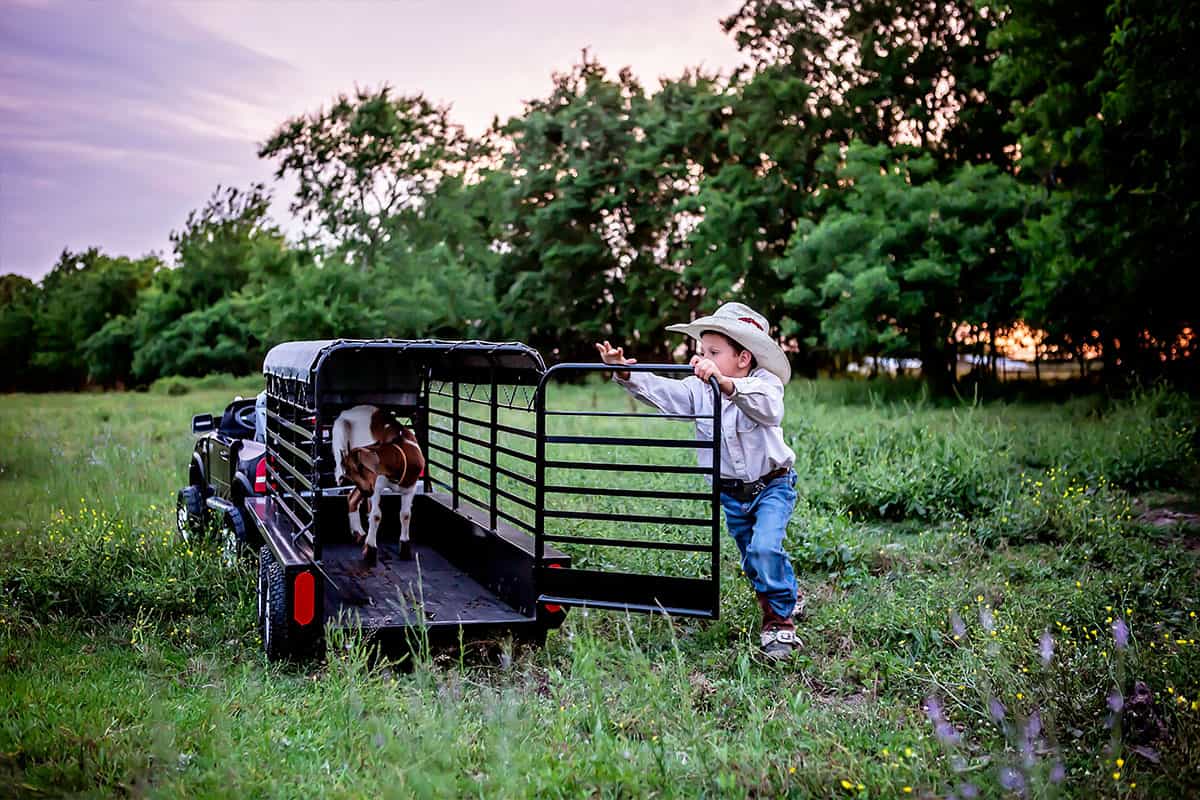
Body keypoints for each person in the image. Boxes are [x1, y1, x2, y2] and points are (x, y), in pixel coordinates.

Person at [595, 302, 801, 660]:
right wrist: (626, 374)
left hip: (772, 485)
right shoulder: (698, 390)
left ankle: (779, 623)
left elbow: (770, 408)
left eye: (713, 352)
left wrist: (726, 384)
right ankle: (785, 592)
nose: (700, 358)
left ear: (743, 358)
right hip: (731, 493)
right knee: (753, 559)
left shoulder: (764, 384)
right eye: (701, 351)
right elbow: (665, 393)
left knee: (765, 548)